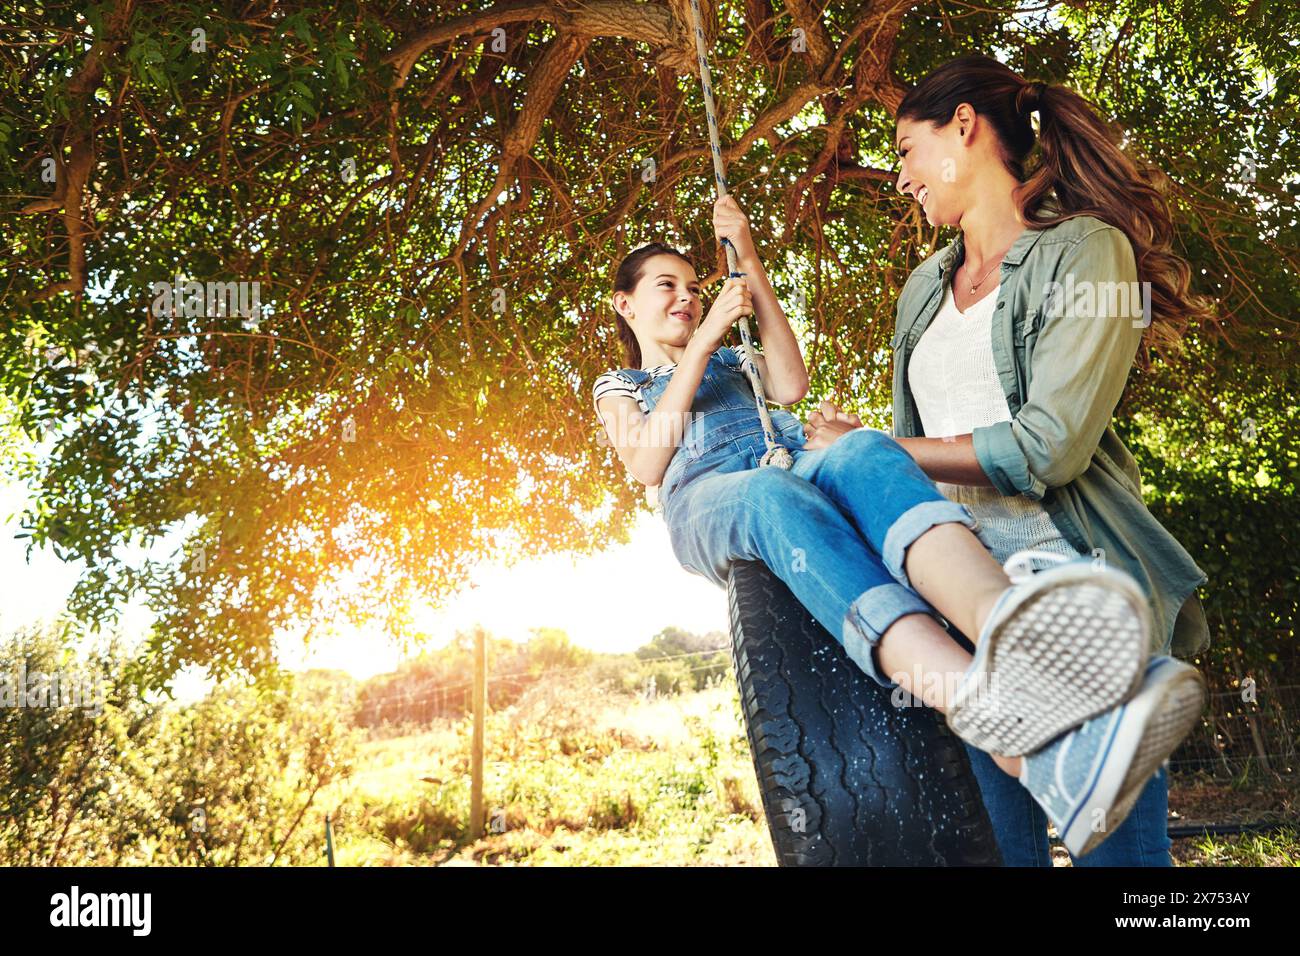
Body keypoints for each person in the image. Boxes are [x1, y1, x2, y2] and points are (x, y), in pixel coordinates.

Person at [592, 193, 1206, 859]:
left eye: (692, 286)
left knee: (863, 449)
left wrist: (751, 259)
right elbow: (648, 459)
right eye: (665, 287)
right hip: (713, 499)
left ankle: (1021, 654)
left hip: (789, 470)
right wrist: (707, 333)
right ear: (626, 304)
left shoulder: (735, 363)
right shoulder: (619, 384)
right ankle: (976, 702)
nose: (684, 297)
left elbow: (791, 386)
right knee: (770, 489)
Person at [804, 53, 1215, 865]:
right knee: (997, 855)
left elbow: (1049, 447)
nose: (900, 178)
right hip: (969, 627)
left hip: (1075, 594)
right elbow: (910, 468)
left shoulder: (1087, 253)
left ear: (964, 128)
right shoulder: (923, 287)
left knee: (1122, 865)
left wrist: (878, 450)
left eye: (907, 150)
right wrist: (868, 455)